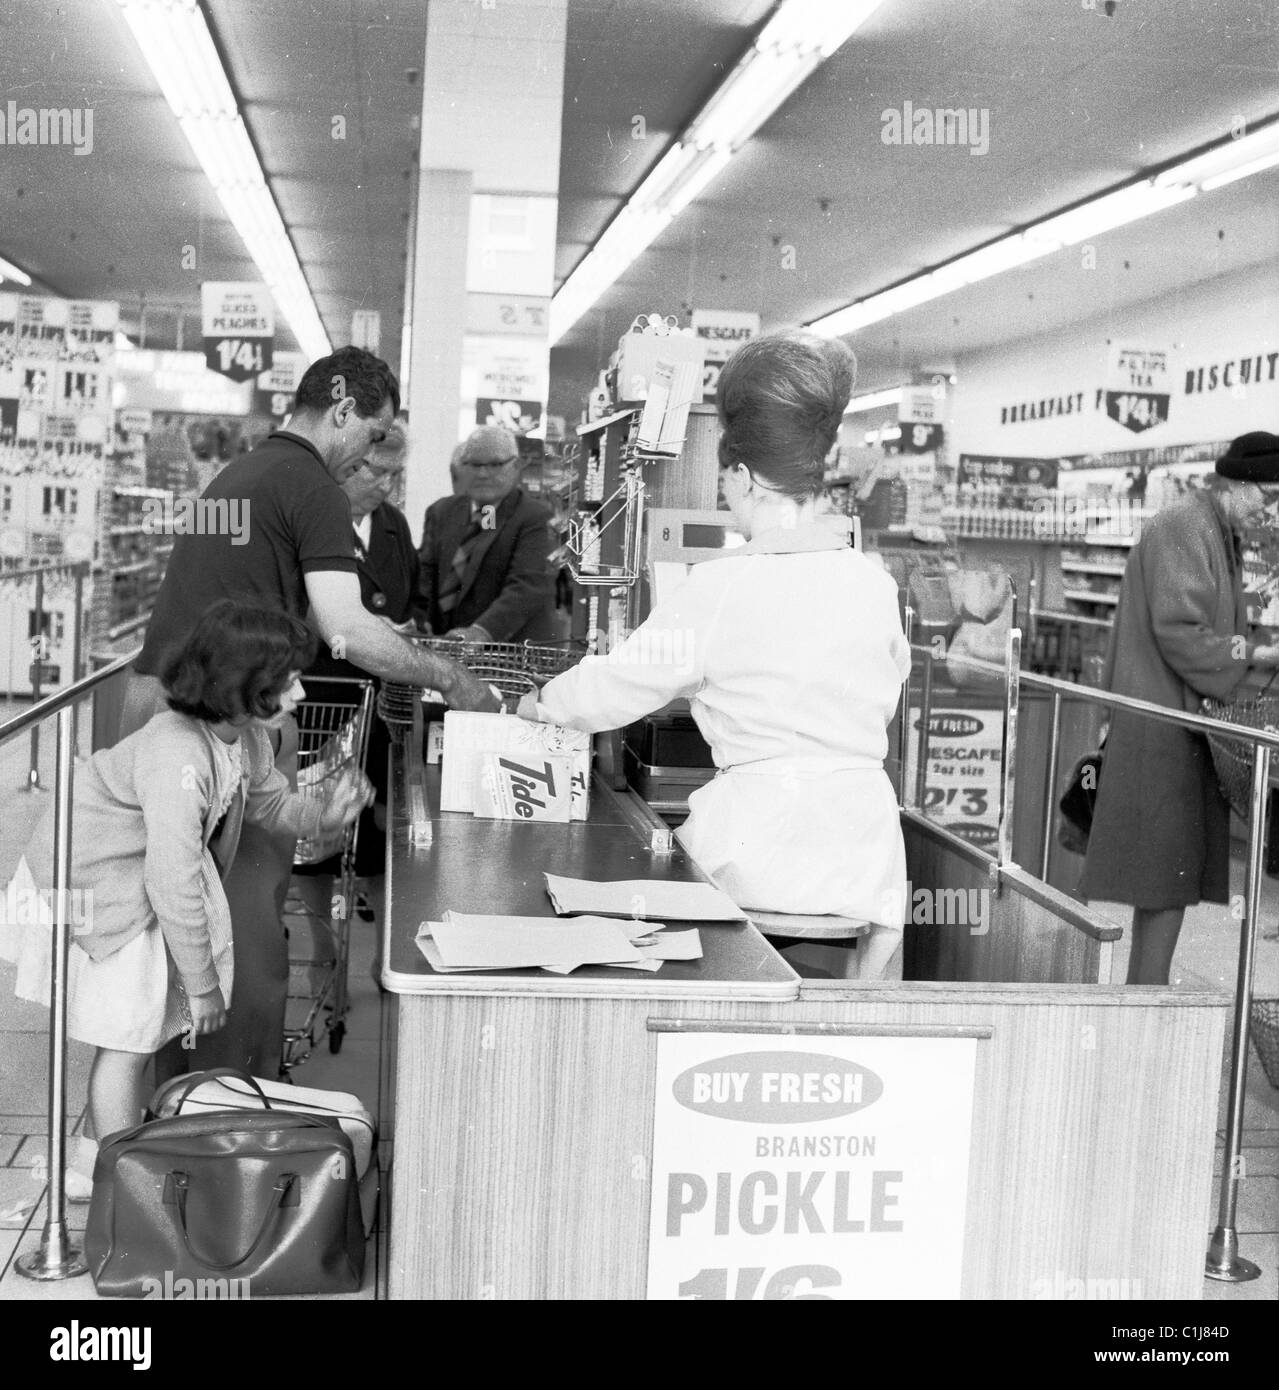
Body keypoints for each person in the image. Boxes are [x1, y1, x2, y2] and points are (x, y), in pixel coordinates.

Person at [121, 347, 497, 1078]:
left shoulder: (241, 474)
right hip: (215, 723)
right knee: (243, 919)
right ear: (343, 407)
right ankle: (228, 1106)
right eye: (375, 430)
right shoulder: (310, 484)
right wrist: (448, 678)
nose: (374, 450)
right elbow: (347, 630)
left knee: (176, 914)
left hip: (165, 703)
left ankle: (173, 1099)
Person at [518, 330, 910, 979]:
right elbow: (886, 677)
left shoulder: (722, 586)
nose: (726, 499)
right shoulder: (872, 579)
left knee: (647, 925)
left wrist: (531, 703)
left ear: (745, 476)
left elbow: (619, 685)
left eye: (726, 485)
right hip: (868, 862)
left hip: (763, 855)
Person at [15, 602, 372, 1196]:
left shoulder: (245, 737)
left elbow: (272, 806)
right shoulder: (176, 754)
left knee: (128, 1032)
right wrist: (201, 982)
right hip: (91, 883)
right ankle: (127, 1190)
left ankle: (92, 1160)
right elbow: (172, 876)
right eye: (286, 680)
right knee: (126, 1042)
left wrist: (327, 813)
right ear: (241, 687)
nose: (302, 691)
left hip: (129, 874)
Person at [1079, 431, 1279, 984]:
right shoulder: (1184, 527)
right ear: (1234, 486)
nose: (1271, 513)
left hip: (1182, 711)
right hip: (1161, 716)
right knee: (1164, 866)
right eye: (1267, 498)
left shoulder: (1216, 527)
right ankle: (1146, 993)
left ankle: (1148, 987)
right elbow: (1180, 630)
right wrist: (1258, 650)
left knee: (1169, 869)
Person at [417, 424, 556, 643]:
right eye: (474, 464)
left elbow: (527, 586)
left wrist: (482, 631)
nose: (482, 474)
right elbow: (423, 577)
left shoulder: (535, 518)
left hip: (509, 659)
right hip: (446, 651)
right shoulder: (441, 512)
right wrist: (417, 620)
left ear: (516, 465)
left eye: (495, 464)